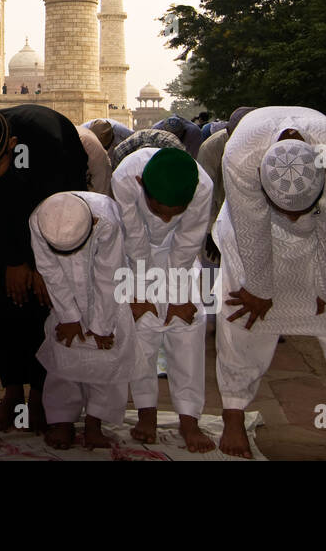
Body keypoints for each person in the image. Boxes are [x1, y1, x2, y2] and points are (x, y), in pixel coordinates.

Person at [215, 105, 326, 460]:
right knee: (241, 320)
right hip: (255, 233)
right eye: (287, 208)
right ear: (263, 177)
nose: (294, 216)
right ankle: (232, 417)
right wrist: (260, 289)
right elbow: (250, 229)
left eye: (299, 208)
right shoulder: (242, 156)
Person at [0, 105, 89, 432]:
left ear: (13, 146)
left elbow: (57, 210)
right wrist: (14, 260)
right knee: (7, 300)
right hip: (10, 222)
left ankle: (41, 397)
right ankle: (12, 392)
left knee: (46, 303)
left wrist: (43, 265)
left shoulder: (48, 143)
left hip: (60, 210)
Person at [111, 146, 215, 452]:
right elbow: (134, 241)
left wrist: (177, 298)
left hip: (180, 260)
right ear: (143, 185)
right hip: (133, 259)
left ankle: (189, 420)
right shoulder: (126, 177)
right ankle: (147, 413)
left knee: (189, 323)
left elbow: (186, 245)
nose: (168, 216)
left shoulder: (202, 185)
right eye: (159, 209)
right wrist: (142, 297)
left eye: (175, 210)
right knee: (141, 325)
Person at [28, 191, 135, 450]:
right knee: (65, 353)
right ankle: (62, 421)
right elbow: (50, 271)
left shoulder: (106, 220)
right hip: (63, 297)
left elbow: (109, 275)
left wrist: (101, 325)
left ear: (93, 225)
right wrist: (68, 316)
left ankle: (94, 423)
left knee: (104, 356)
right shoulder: (39, 220)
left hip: (107, 300)